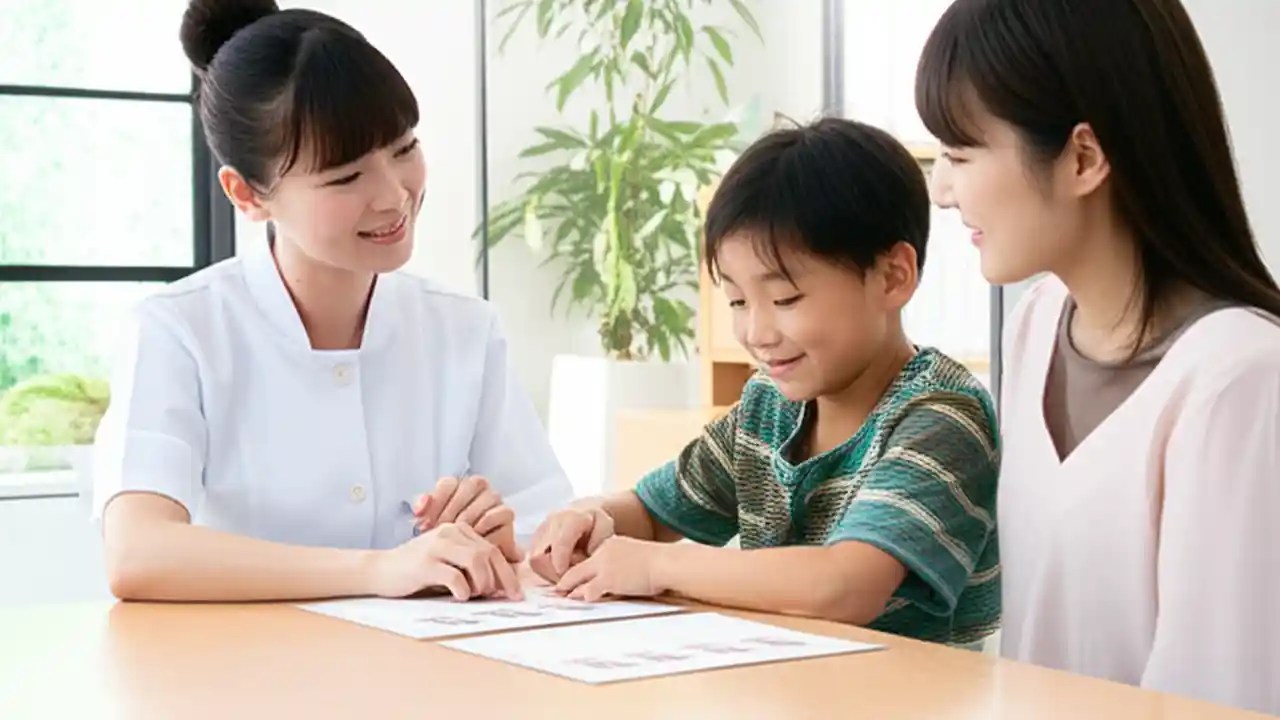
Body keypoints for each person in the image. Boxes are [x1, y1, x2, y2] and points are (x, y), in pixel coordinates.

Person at [92, 0, 571, 603]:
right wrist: (380, 569)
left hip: (428, 678)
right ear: (247, 193)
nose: (394, 195)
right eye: (346, 178)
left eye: (403, 149)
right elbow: (139, 554)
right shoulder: (180, 328)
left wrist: (504, 542)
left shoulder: (464, 329)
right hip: (231, 682)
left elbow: (546, 534)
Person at [917, 0, 1280, 712]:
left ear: (1083, 157)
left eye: (960, 155)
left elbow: (1220, 696)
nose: (941, 190)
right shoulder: (1035, 327)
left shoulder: (1241, 380)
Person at [528, 118, 1001, 646]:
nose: (756, 332)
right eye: (736, 301)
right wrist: (589, 518)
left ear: (892, 277)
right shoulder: (768, 408)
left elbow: (846, 585)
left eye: (785, 300)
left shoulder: (942, 415)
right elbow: (649, 512)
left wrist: (660, 566)